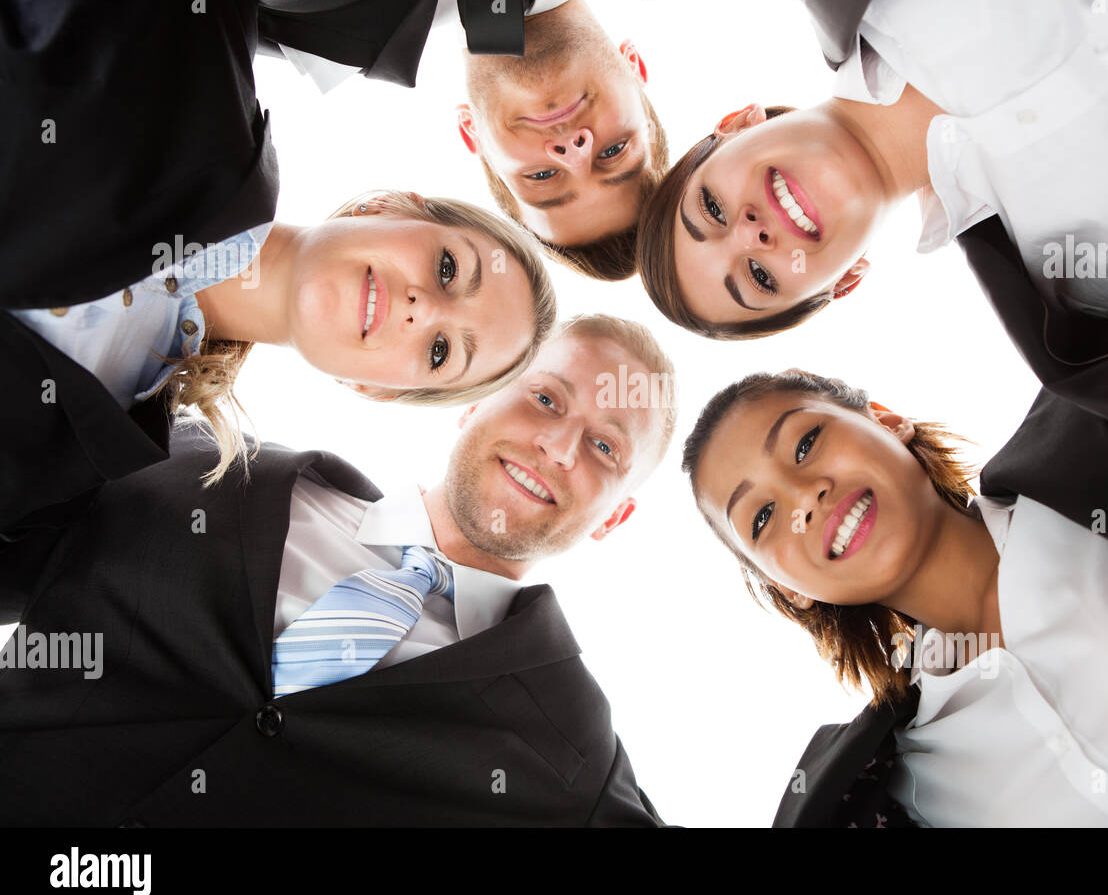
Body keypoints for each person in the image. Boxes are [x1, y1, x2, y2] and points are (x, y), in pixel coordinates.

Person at [0, 314, 678, 826]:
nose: (557, 445)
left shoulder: (576, 759)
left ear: (614, 519)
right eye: (547, 399)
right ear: (478, 400)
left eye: (603, 447)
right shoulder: (203, 464)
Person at [637, 0, 1108, 446]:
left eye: (713, 211)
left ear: (738, 121)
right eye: (757, 277)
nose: (750, 235)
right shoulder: (1078, 290)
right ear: (846, 286)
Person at [680, 369, 1108, 826]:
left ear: (887, 419)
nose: (803, 496)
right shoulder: (900, 784)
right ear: (788, 588)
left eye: (805, 443)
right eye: (761, 517)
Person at [1, 189, 555, 547]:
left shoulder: (93, 480)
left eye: (440, 351)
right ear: (387, 205)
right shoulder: (193, 86)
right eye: (447, 267)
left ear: (373, 388)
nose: (423, 308)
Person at [242, 0, 671, 279]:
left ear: (472, 133)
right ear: (635, 68)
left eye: (542, 176)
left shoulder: (307, 37)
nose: (573, 152)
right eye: (614, 152)